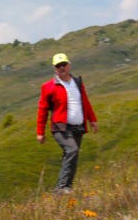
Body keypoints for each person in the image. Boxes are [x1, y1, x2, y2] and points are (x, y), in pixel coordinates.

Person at [36, 53, 99, 194]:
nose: (61, 68)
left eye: (63, 64)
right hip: (61, 127)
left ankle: (67, 188)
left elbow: (85, 102)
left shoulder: (77, 82)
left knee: (72, 155)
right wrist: (40, 132)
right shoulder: (48, 87)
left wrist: (92, 120)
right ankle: (61, 187)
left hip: (78, 126)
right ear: (54, 68)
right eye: (58, 66)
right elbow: (42, 110)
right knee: (72, 150)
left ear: (69, 65)